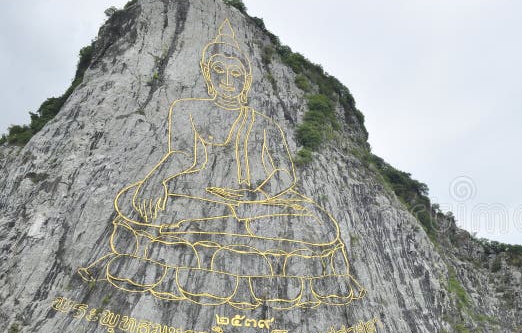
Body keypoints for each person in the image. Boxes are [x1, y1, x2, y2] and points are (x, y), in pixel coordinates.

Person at [79, 19, 365, 310]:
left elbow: (284, 172)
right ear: (207, 73)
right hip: (199, 196)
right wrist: (155, 181)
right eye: (219, 71)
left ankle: (211, 243)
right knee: (142, 202)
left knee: (316, 221)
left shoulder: (264, 124)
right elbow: (181, 154)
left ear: (246, 81)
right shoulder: (188, 109)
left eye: (236, 75)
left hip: (255, 205)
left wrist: (257, 195)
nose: (228, 81)